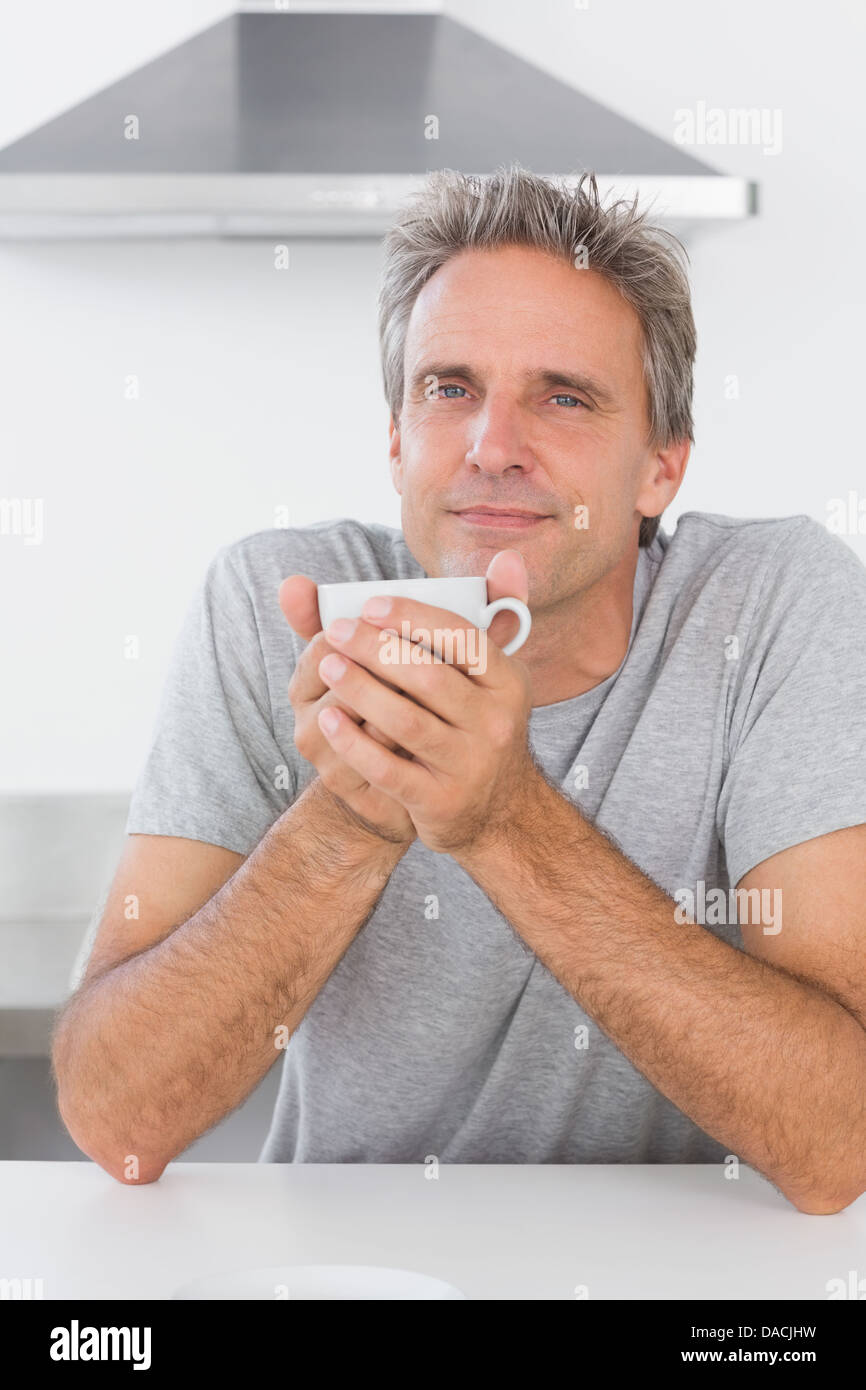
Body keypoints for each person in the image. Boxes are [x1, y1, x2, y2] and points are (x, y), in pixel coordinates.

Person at [52, 165, 866, 1213]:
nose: (491, 448)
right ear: (397, 439)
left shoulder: (771, 609)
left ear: (659, 467)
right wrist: (352, 806)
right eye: (449, 390)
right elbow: (117, 1122)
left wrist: (502, 819)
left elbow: (836, 1143)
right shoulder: (269, 606)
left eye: (562, 397)